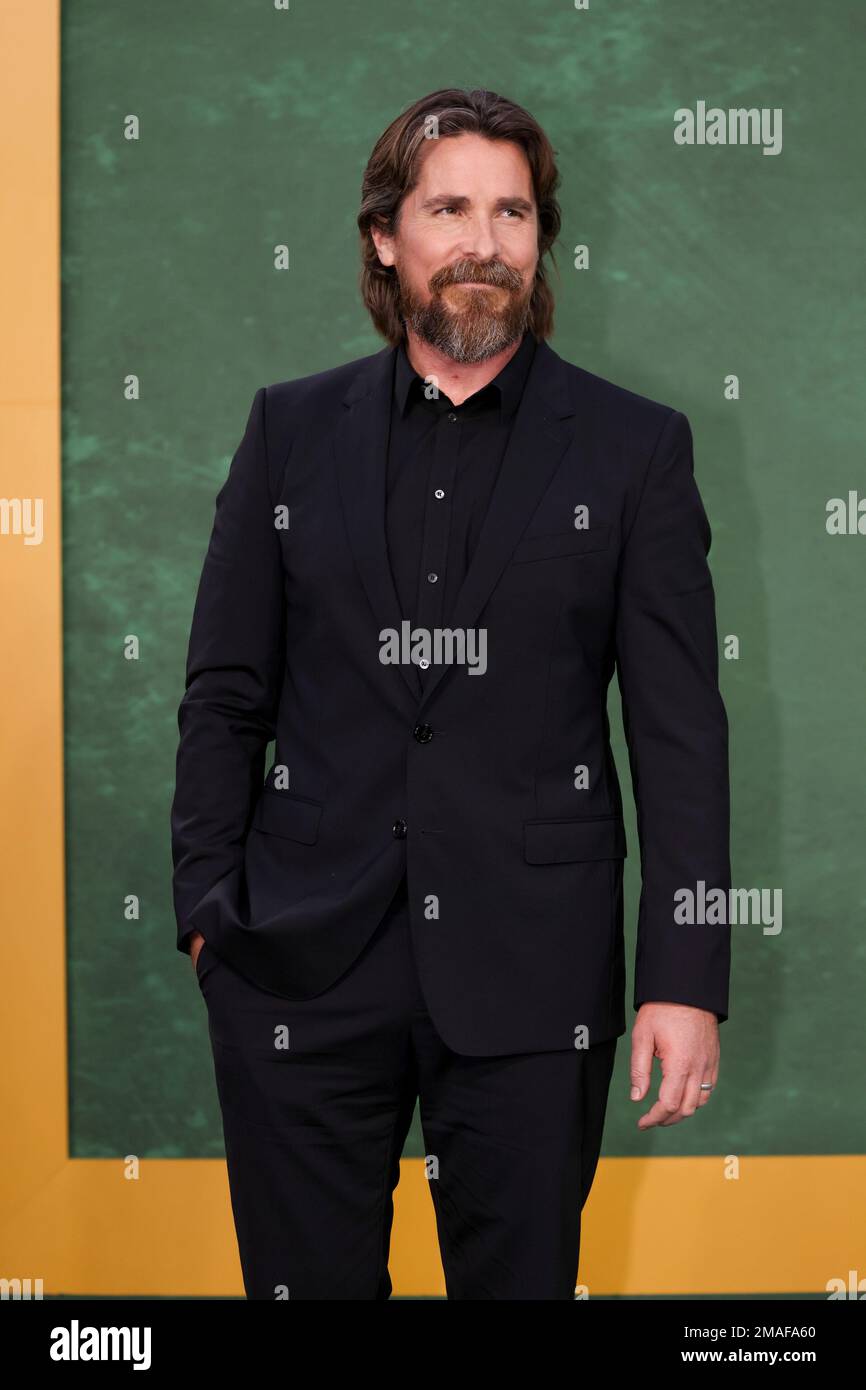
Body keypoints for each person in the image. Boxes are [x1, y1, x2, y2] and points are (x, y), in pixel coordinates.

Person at [170, 86, 731, 1300]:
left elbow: (679, 728)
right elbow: (223, 692)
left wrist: (683, 974)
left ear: (540, 238)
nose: (484, 241)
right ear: (385, 236)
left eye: (513, 211)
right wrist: (209, 910)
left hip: (536, 976)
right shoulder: (287, 433)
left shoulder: (636, 449)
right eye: (449, 207)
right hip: (296, 967)